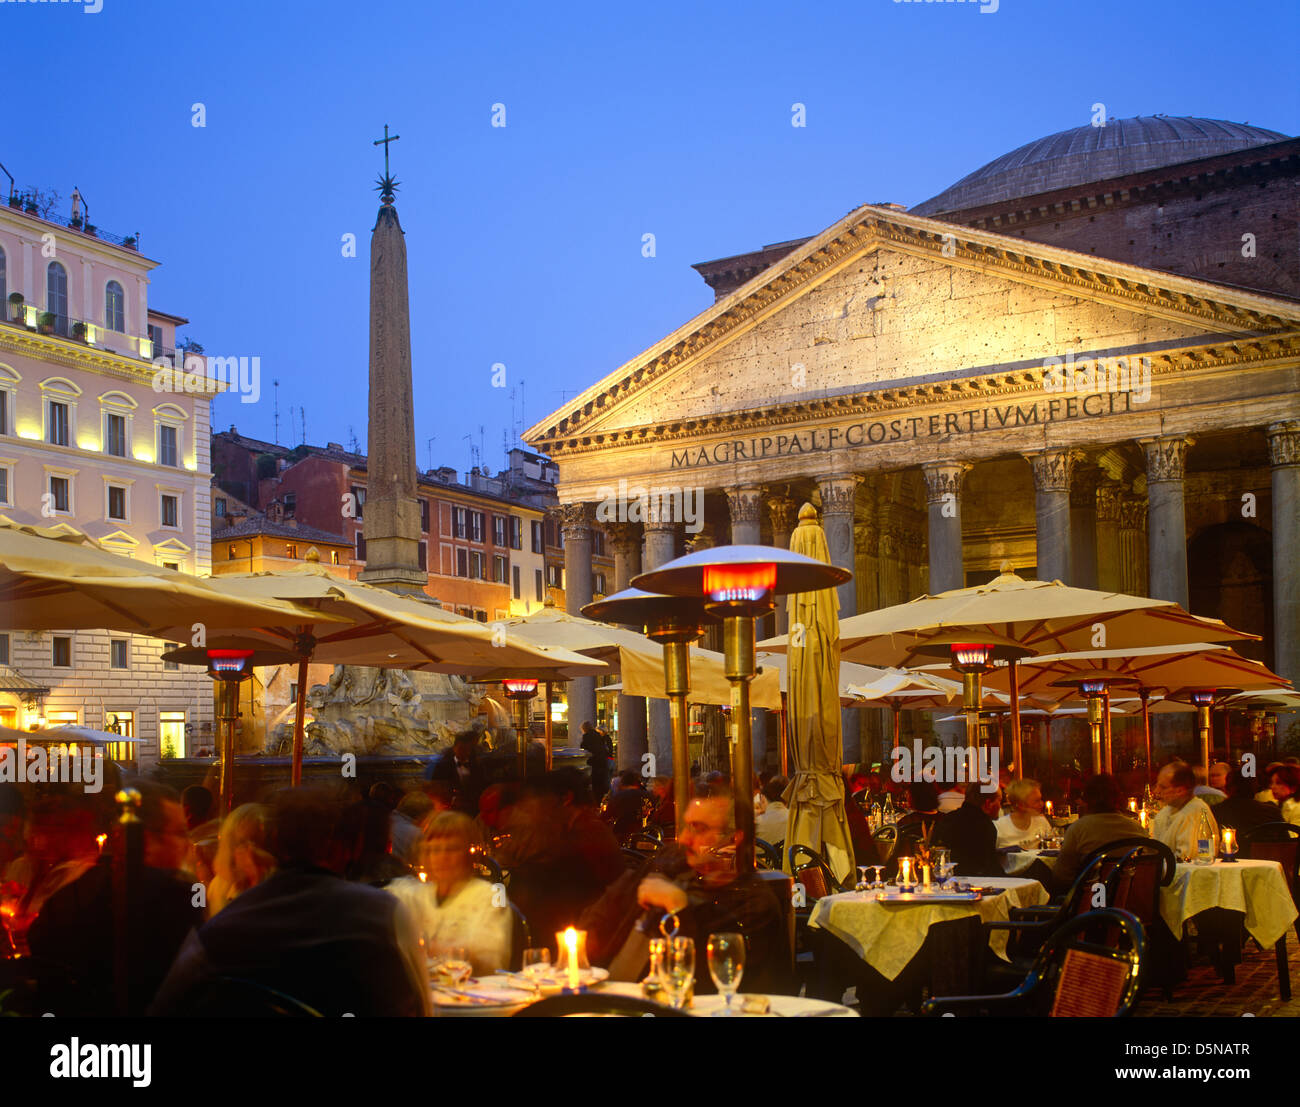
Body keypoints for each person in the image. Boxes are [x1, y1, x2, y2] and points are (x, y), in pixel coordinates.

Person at [150, 786, 429, 1017]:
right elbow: (421, 1008)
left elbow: (167, 1008)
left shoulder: (220, 929)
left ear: (273, 845)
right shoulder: (383, 914)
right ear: (341, 849)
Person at [591, 787, 793, 995]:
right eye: (687, 826)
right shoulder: (667, 864)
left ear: (733, 839)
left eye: (698, 828)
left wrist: (679, 908)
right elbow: (600, 917)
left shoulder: (754, 904)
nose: (685, 838)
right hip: (603, 996)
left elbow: (714, 986)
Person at [28, 781, 203, 1016]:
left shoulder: (73, 890)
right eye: (181, 834)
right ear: (147, 840)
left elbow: (37, 940)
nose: (187, 844)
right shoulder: (178, 896)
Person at [386, 810, 512, 976]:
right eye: (435, 850)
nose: (442, 857)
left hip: (471, 993)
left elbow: (492, 957)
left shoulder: (491, 895)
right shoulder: (412, 893)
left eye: (452, 849)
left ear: (468, 853)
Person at [1044, 773, 1141, 893]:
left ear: (1086, 800)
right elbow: (1149, 867)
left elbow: (1062, 876)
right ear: (1118, 798)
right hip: (1129, 900)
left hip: (1091, 903)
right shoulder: (1136, 828)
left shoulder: (1078, 829)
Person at [207, 803, 276, 917]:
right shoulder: (219, 885)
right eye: (242, 843)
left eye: (256, 842)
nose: (251, 851)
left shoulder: (278, 883)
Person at [1152, 761, 1219, 862]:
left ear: (1180, 791)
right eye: (1157, 785)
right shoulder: (1164, 812)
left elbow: (1186, 859)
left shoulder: (1196, 812)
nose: (1156, 791)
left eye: (1163, 787)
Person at [935, 788, 1003, 876]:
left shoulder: (948, 819)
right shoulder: (985, 826)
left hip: (948, 876)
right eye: (999, 801)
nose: (1000, 806)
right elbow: (988, 866)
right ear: (988, 803)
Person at [426, 729, 489, 815]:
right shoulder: (443, 765)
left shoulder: (477, 765)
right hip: (450, 810)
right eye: (461, 749)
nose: (464, 752)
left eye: (467, 749)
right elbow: (437, 788)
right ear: (454, 748)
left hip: (473, 809)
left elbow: (481, 785)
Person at [1213, 767, 1279, 835]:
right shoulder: (1271, 812)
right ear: (1255, 787)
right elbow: (1285, 842)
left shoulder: (1216, 811)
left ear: (1228, 787)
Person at [994, 778, 1054, 848]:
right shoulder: (998, 826)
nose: (1042, 804)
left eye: (1041, 799)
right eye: (1037, 801)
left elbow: (1053, 849)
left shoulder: (1041, 822)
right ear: (1021, 805)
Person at [605, 769, 647, 842]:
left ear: (622, 783)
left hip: (621, 836)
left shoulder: (617, 798)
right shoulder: (648, 796)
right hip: (646, 836)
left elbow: (606, 816)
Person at [580, 721, 614, 800]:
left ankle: (597, 801)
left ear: (584, 729)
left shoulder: (587, 736)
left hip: (594, 763)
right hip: (602, 762)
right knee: (604, 782)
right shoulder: (599, 736)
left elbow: (584, 748)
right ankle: (604, 798)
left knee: (595, 783)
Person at [754, 776, 789, 845]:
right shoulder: (794, 818)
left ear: (763, 799)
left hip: (762, 856)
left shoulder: (757, 822)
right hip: (786, 855)